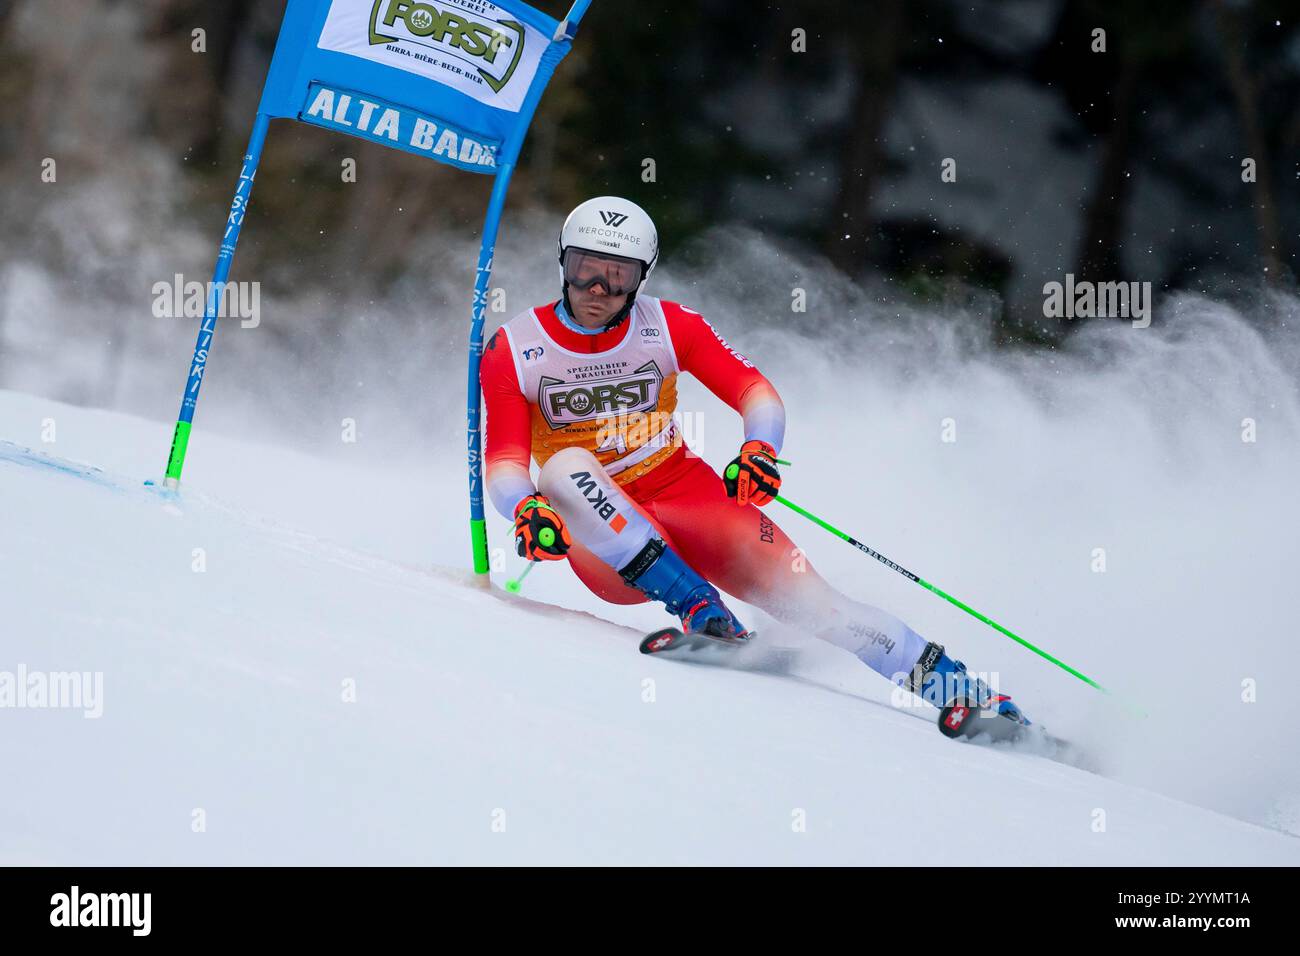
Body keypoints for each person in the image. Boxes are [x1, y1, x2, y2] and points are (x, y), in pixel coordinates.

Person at [479, 196, 1024, 725]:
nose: (596, 289)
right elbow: (505, 464)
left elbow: (754, 391)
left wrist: (759, 451)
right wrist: (526, 509)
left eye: (616, 276)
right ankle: (702, 611)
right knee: (562, 469)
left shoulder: (670, 325)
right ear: (562, 263)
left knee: (814, 602)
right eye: (583, 270)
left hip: (686, 496)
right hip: (606, 542)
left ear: (640, 277)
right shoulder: (515, 347)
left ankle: (968, 694)